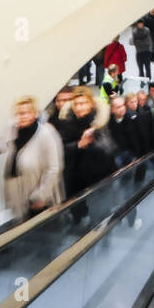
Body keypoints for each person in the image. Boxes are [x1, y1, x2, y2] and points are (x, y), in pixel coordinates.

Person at [0, 95, 64, 221]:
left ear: (34, 113)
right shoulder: (11, 128)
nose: (21, 117)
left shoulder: (46, 133)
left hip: (37, 191)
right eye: (18, 113)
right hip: (18, 190)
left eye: (25, 113)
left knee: (42, 228)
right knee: (23, 224)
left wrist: (41, 195)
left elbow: (53, 168)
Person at [52, 86, 117, 221]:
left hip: (99, 176)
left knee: (99, 213)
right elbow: (61, 149)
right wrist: (78, 145)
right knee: (78, 213)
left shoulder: (100, 122)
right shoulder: (66, 123)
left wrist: (95, 136)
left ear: (91, 104)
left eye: (83, 103)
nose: (79, 107)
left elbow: (110, 149)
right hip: (75, 177)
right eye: (76, 104)